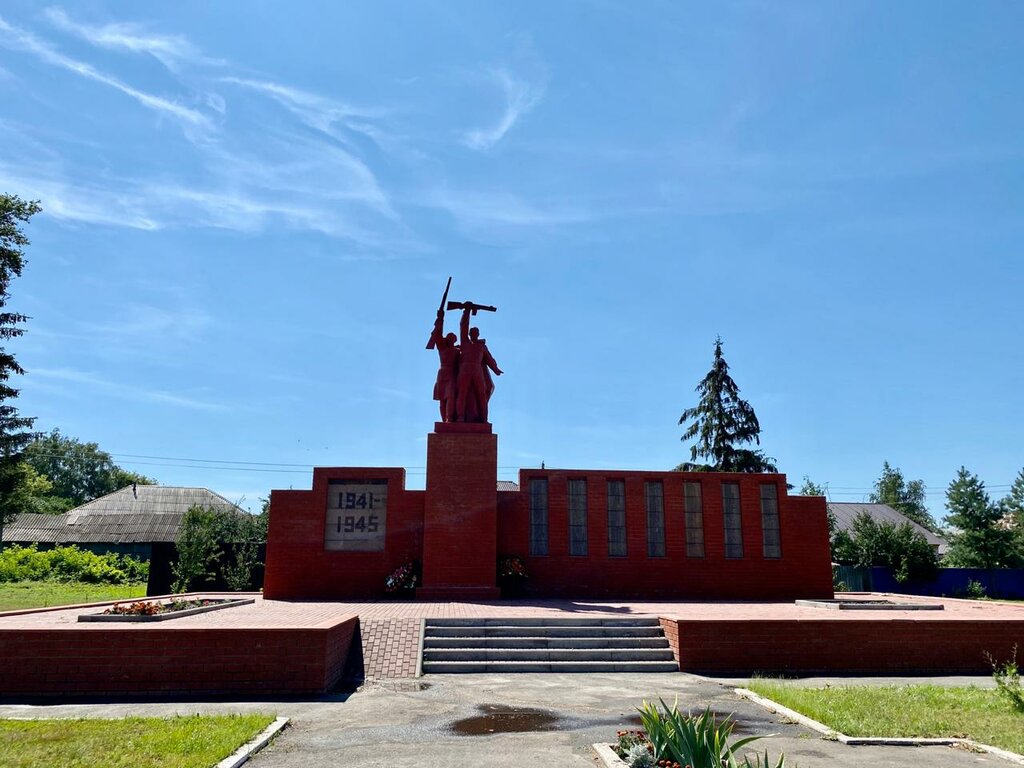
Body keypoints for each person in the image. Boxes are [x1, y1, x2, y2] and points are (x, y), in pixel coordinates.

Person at [456, 304, 502, 423]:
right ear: (470, 334)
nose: (474, 334)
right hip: (465, 368)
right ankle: (460, 417)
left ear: (478, 334)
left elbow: (489, 359)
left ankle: (483, 419)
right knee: (462, 393)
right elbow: (463, 326)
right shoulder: (465, 342)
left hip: (477, 370)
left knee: (481, 394)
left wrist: (496, 369)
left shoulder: (482, 346)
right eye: (472, 332)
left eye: (476, 332)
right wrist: (466, 312)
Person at [428, 308, 459, 422]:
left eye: (453, 338)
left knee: (450, 396)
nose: (451, 339)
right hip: (442, 373)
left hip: (451, 374)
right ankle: (443, 419)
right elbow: (438, 334)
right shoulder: (442, 348)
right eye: (449, 337)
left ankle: (449, 418)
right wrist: (441, 318)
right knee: (441, 398)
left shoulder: (457, 351)